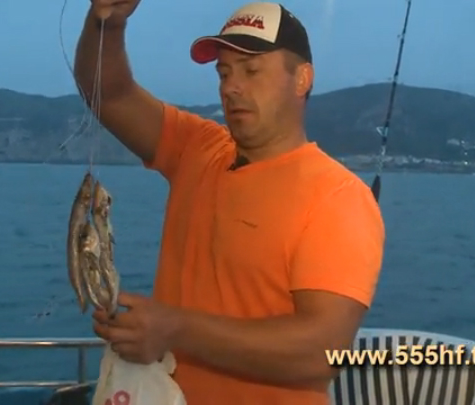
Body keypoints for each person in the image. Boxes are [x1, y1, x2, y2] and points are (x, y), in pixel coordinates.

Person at [76, 1, 385, 404]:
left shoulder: (338, 197)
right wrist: (107, 21)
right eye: (224, 73)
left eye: (251, 71)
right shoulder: (198, 148)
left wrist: (174, 328)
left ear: (302, 79)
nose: (231, 87)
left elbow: (321, 352)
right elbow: (109, 94)